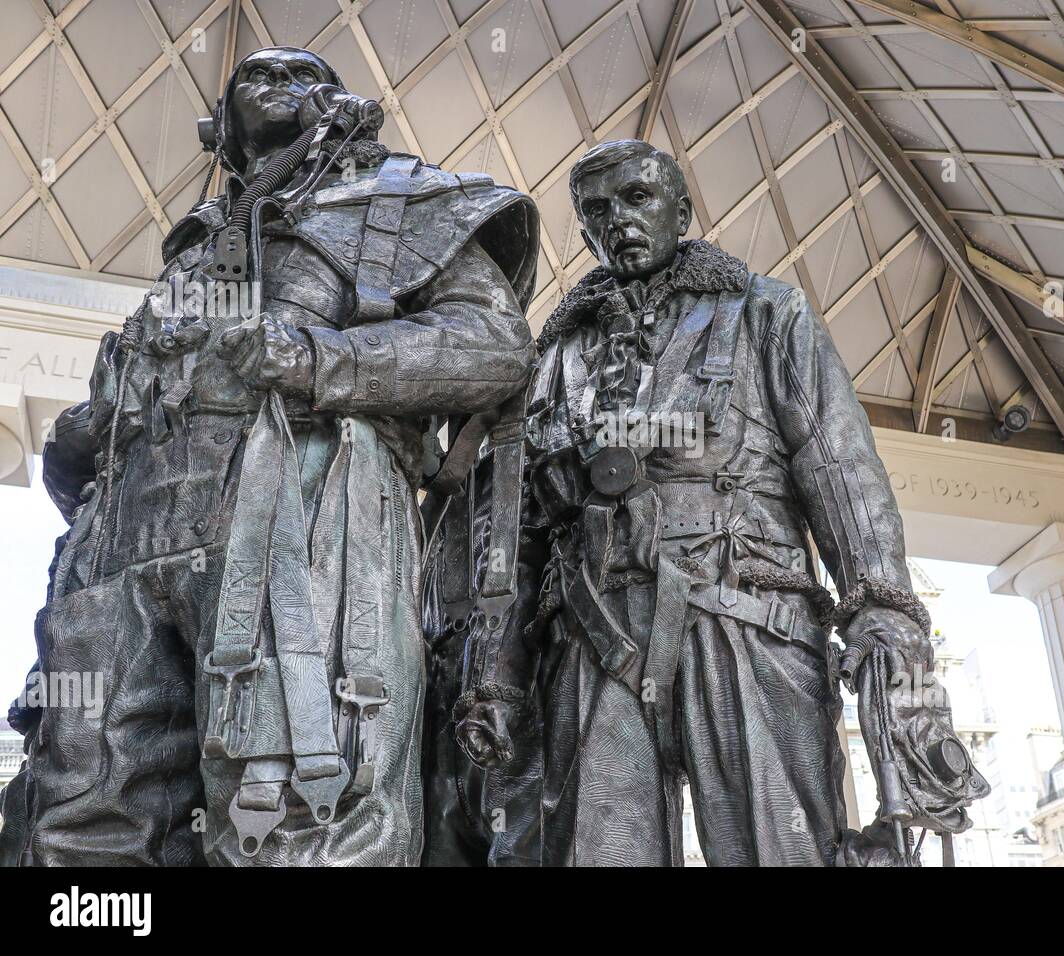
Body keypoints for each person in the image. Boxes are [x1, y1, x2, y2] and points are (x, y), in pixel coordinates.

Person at [4, 46, 538, 866]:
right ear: (224, 115)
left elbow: (495, 349)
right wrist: (95, 425)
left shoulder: (408, 207)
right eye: (260, 75)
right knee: (82, 817)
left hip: (300, 520)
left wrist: (316, 358)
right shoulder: (195, 249)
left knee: (297, 811)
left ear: (340, 102)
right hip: (128, 540)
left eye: (306, 76)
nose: (283, 86)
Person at [454, 139, 986, 866]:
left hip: (745, 620)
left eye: (637, 198)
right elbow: (515, 536)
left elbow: (840, 470)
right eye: (597, 211)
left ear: (683, 208)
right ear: (583, 232)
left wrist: (886, 617)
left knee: (780, 848)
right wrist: (498, 671)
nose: (619, 221)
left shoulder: (767, 313)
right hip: (590, 633)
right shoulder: (551, 358)